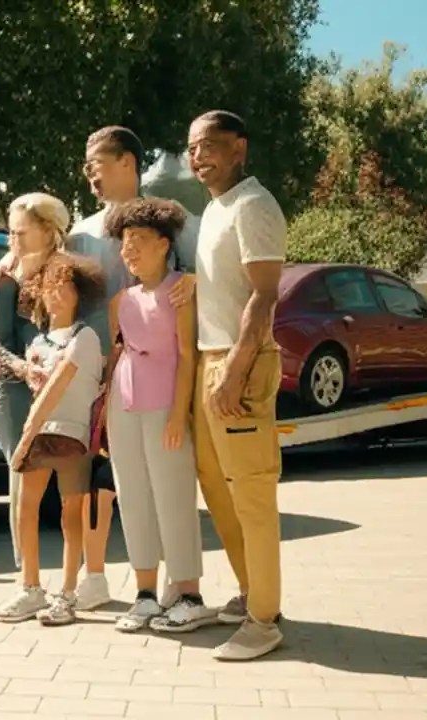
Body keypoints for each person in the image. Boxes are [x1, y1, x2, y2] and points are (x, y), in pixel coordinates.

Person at [0, 126, 200, 611]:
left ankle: (179, 586)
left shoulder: (173, 223)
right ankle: (102, 579)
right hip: (96, 381)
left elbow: (203, 278)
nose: (89, 177)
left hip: (163, 379)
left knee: (164, 482)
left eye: (95, 165)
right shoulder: (82, 232)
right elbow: (35, 251)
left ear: (127, 162)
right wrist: (1, 263)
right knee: (106, 485)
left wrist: (198, 282)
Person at [186, 110, 287, 661]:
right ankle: (252, 590)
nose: (198, 156)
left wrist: (237, 367)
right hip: (210, 357)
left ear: (239, 148)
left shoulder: (254, 205)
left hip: (240, 361)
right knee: (214, 482)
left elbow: (264, 295)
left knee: (251, 493)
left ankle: (264, 621)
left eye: (209, 145)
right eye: (192, 148)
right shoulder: (214, 209)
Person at [101, 198, 217, 634]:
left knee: (173, 496)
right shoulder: (120, 301)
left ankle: (188, 592)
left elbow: (188, 357)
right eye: (124, 242)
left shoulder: (181, 291)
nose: (128, 250)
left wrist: (177, 414)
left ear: (164, 244)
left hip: (165, 403)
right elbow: (118, 355)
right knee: (133, 498)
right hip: (124, 405)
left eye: (139, 241)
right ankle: (146, 594)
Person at [0, 250, 107, 626]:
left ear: (80, 294)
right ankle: (31, 587)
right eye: (48, 288)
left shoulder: (86, 337)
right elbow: (36, 386)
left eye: (64, 288)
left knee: (69, 515)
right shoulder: (37, 344)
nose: (56, 295)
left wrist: (25, 438)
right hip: (41, 432)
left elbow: (56, 390)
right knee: (25, 509)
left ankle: (67, 594)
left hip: (71, 437)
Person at [0, 193, 61, 569]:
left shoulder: (59, 269)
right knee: (21, 479)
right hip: (13, 389)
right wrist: (26, 369)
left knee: (57, 484)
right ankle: (26, 577)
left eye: (22, 233)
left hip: (53, 383)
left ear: (48, 231)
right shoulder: (3, 280)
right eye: (10, 234)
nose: (14, 242)